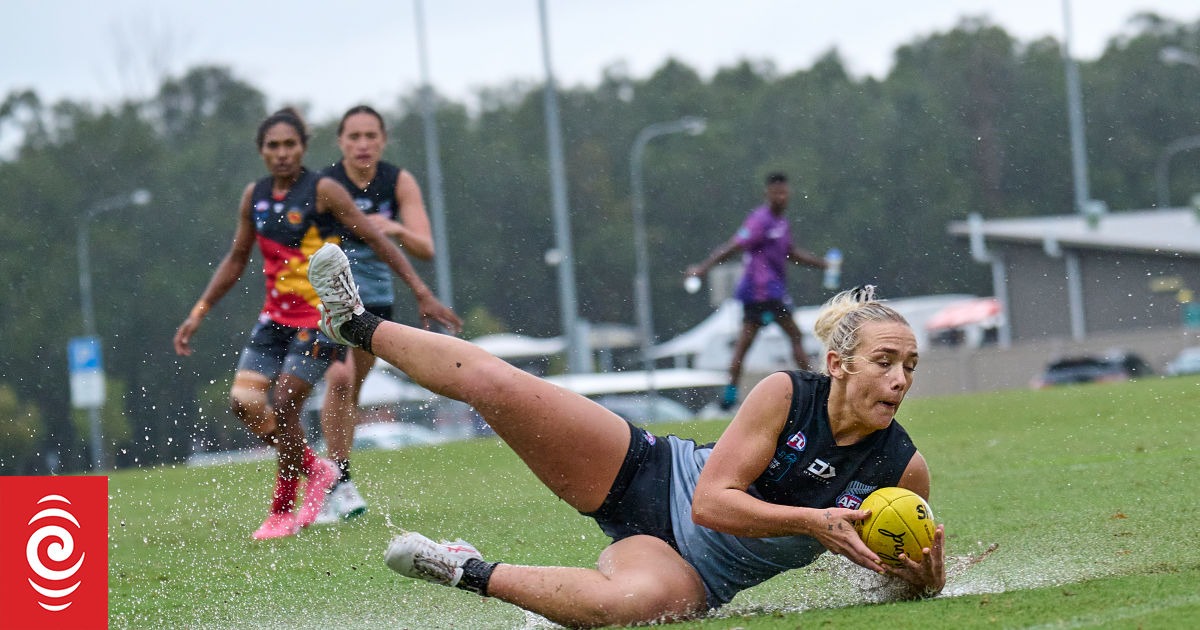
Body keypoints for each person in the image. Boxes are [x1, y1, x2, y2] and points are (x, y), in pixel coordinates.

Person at [306, 243, 945, 627]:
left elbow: (893, 577)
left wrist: (925, 578)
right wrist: (813, 524)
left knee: (633, 607)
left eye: (909, 366)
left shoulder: (901, 469)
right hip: (649, 475)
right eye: (884, 361)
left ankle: (459, 566)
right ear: (838, 364)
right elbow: (711, 503)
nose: (899, 379)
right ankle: (355, 322)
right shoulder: (786, 393)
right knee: (500, 387)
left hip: (694, 575)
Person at [172, 108, 461, 541]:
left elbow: (379, 240)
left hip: (319, 318)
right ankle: (318, 468)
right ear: (261, 151)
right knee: (244, 403)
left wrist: (421, 292)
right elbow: (236, 259)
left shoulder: (323, 190)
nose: (282, 153)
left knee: (291, 400)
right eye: (273, 145)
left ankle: (283, 507)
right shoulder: (254, 196)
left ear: (304, 147)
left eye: (290, 144)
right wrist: (198, 313)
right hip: (274, 319)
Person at [315, 105, 436, 525]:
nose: (363, 144)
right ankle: (337, 482)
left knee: (353, 389)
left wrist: (394, 228)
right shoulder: (327, 185)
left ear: (383, 140)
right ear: (340, 142)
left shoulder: (397, 181)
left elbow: (426, 247)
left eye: (371, 136)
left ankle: (335, 476)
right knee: (339, 377)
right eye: (354, 136)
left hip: (377, 298)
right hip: (332, 299)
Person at [686, 172, 827, 410]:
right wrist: (703, 268)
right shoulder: (759, 221)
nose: (781, 197)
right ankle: (814, 389)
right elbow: (733, 247)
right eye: (776, 193)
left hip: (773, 291)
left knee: (764, 341)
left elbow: (791, 253)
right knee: (780, 338)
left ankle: (731, 394)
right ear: (767, 194)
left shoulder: (783, 223)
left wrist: (819, 264)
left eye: (784, 192)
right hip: (759, 292)